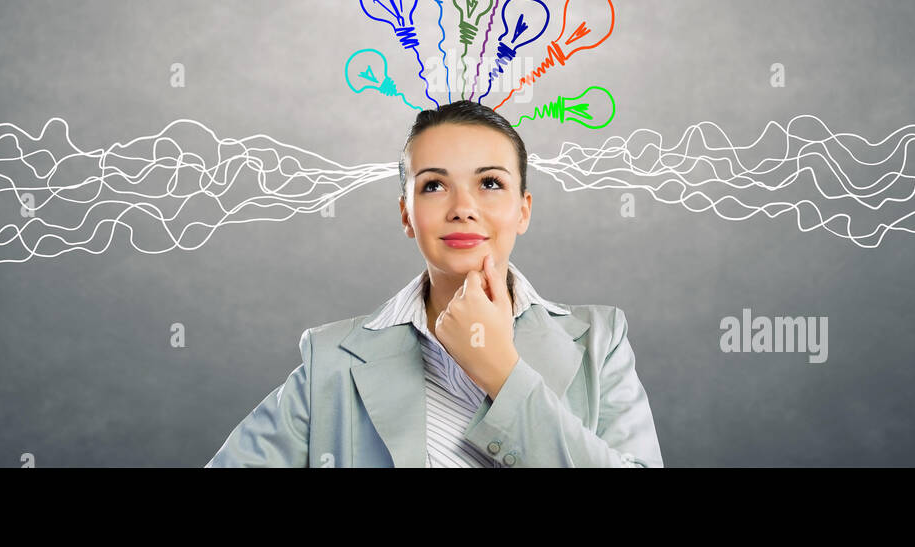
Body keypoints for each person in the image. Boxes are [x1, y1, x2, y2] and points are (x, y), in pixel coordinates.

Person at [205, 100, 663, 467]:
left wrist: (502, 373)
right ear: (406, 214)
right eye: (433, 186)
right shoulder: (332, 361)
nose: (463, 207)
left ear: (523, 210)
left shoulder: (600, 342)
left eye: (489, 182)